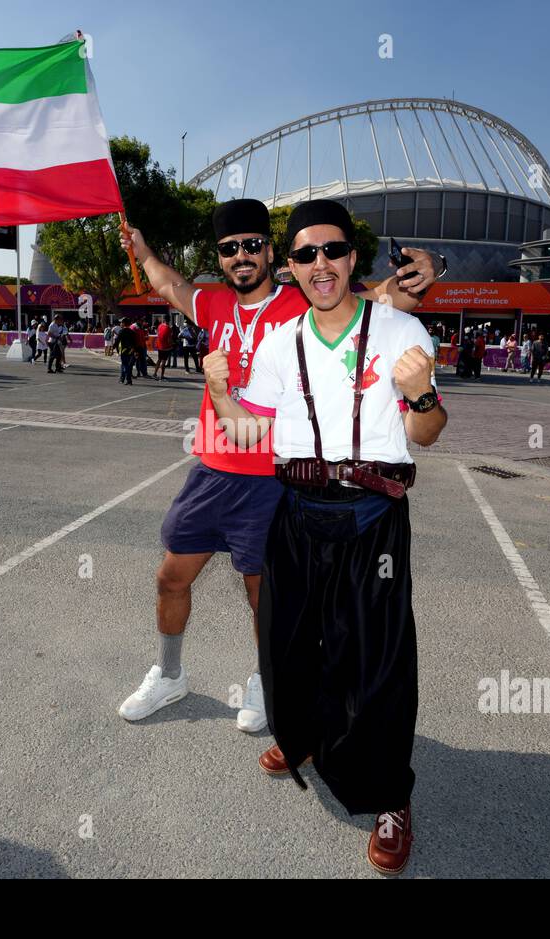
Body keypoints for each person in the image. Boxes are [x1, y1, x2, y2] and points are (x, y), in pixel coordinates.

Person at [115, 197, 437, 737]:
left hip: (275, 480)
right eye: (228, 249)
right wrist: (143, 249)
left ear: (271, 252)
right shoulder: (213, 305)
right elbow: (166, 283)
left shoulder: (305, 301)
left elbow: (386, 295)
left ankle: (266, 680)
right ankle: (170, 675)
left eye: (251, 245)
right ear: (219, 258)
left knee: (262, 597)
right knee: (171, 578)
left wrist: (426, 273)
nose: (241, 255)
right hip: (212, 473)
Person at [207, 198, 446, 874]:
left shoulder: (401, 331)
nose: (321, 264)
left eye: (333, 251)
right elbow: (249, 432)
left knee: (376, 663)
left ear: (353, 258)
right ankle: (303, 735)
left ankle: (391, 796)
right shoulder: (282, 343)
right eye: (306, 254)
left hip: (372, 517)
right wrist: (220, 392)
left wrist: (423, 397)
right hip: (298, 510)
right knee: (287, 644)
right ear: (290, 266)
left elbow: (427, 432)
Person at [114, 318, 138, 385]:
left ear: (124, 323)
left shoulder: (121, 331)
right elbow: (135, 343)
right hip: (131, 351)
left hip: (124, 351)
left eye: (121, 322)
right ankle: (126, 379)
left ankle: (128, 380)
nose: (120, 324)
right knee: (128, 366)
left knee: (125, 365)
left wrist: (112, 348)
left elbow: (117, 341)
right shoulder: (132, 332)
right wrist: (135, 351)